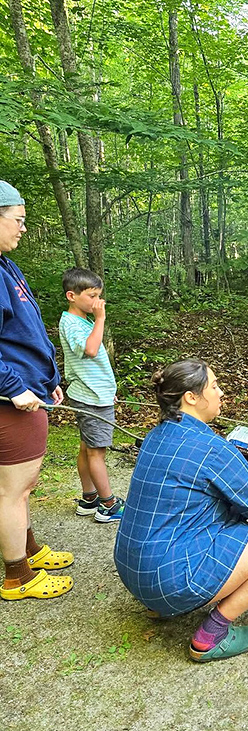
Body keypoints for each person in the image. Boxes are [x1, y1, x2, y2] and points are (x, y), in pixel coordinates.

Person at [113, 358, 248, 662]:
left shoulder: (156, 435)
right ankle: (212, 635)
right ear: (191, 398)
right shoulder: (212, 448)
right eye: (214, 386)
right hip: (168, 578)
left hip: (132, 572)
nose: (221, 393)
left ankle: (162, 607)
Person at [0, 181, 73, 601]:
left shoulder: (7, 266)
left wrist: (49, 380)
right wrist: (14, 387)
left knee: (21, 487)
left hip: (30, 391)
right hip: (11, 402)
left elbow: (22, 334)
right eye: (18, 220)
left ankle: (27, 551)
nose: (23, 228)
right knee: (13, 488)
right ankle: (17, 577)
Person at [59, 267, 124, 522]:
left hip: (96, 394)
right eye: (92, 296)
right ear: (71, 296)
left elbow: (93, 365)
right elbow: (91, 350)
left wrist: (109, 393)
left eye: (99, 295)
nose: (97, 302)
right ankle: (107, 505)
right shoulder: (73, 323)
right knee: (97, 452)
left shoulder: (80, 321)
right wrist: (100, 319)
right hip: (90, 397)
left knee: (87, 447)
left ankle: (89, 498)